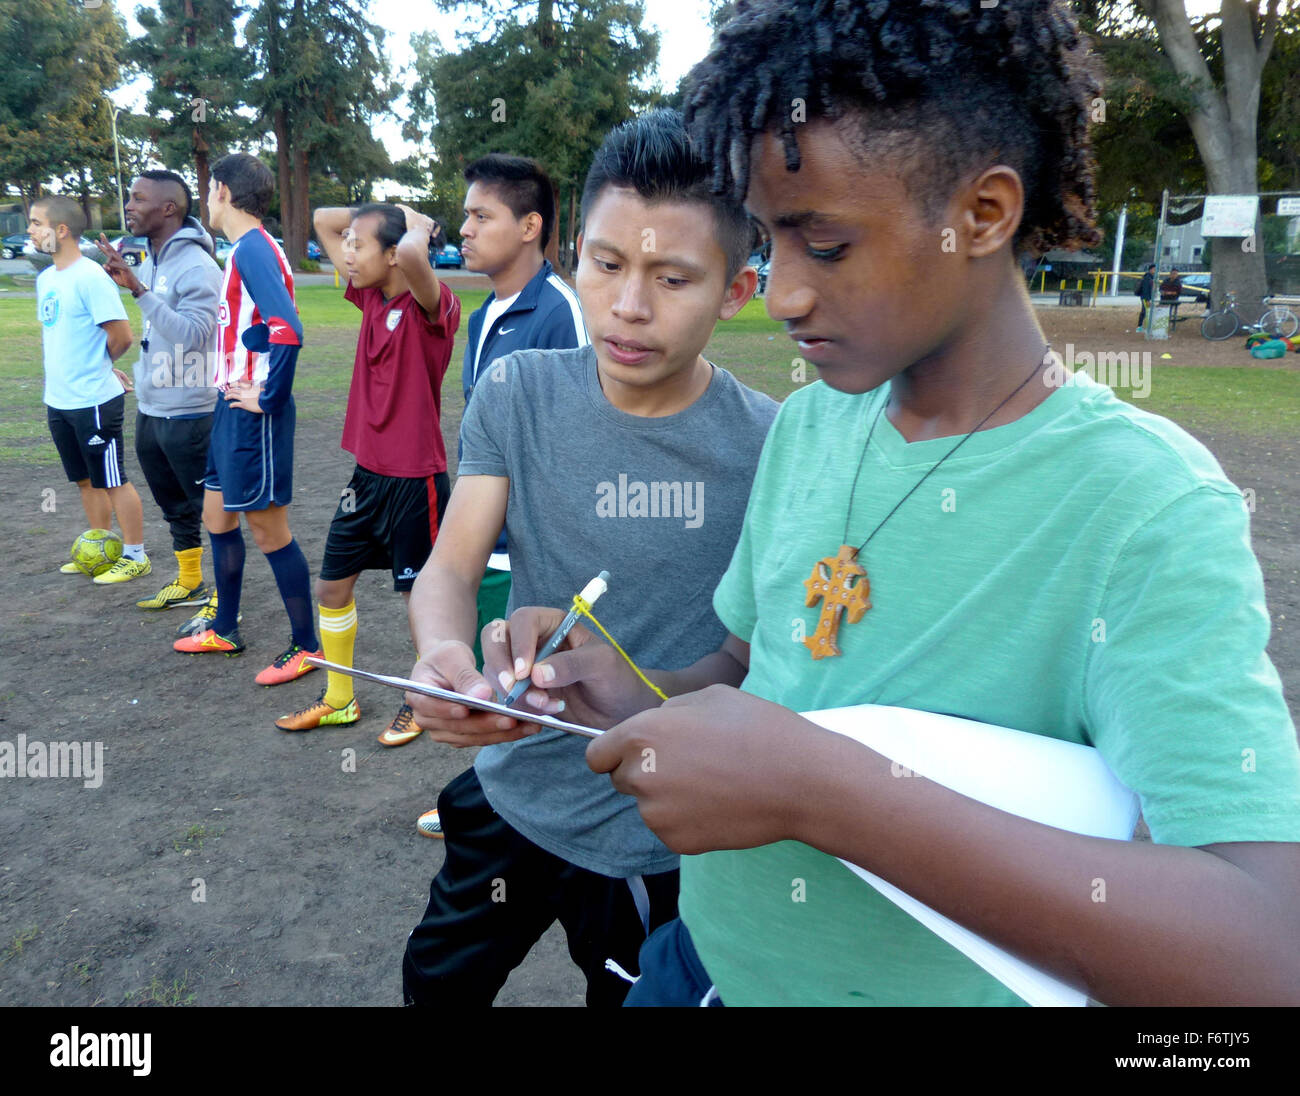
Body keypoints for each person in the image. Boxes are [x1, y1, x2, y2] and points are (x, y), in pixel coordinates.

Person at [486, 0, 1300, 1006]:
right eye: (769, 243)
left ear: (984, 215)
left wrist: (824, 793)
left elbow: (1263, 944)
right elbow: (754, 671)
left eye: (821, 246)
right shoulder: (809, 428)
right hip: (700, 970)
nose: (780, 293)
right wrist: (632, 684)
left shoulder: (1142, 504)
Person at [400, 109, 775, 1005]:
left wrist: (641, 687)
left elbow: (755, 664)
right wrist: (443, 655)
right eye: (607, 265)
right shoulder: (520, 391)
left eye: (673, 277)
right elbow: (454, 565)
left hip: (648, 835)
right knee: (434, 985)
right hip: (512, 792)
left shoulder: (772, 444)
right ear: (575, 254)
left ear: (737, 290)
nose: (630, 307)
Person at [401, 154, 588, 840]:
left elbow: (583, 437)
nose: (466, 227)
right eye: (466, 214)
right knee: (484, 677)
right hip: (485, 538)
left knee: (535, 683)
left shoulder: (563, 311)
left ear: (531, 226)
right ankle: (484, 799)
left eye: (482, 215)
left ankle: (503, 811)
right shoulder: (481, 320)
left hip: (539, 549)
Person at [273, 202, 461, 733]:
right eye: (349, 245)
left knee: (419, 600)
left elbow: (410, 255)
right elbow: (322, 220)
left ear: (397, 256)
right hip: (366, 478)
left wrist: (417, 227)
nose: (347, 254)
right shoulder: (371, 299)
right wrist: (372, 216)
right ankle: (340, 699)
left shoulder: (434, 308)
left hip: (414, 480)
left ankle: (424, 698)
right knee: (331, 586)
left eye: (360, 245)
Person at [172, 153, 321, 689]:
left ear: (223, 191)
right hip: (228, 405)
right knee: (217, 515)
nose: (206, 197)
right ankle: (226, 627)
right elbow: (261, 329)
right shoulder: (244, 250)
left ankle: (308, 647)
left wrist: (271, 396)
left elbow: (288, 328)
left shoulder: (255, 248)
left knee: (267, 528)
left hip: (252, 414)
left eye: (208, 189)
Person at [96, 171, 222, 616]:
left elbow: (193, 334)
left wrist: (139, 290)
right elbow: (157, 327)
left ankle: (226, 600)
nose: (128, 205)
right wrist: (133, 281)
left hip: (190, 411)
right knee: (173, 507)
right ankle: (190, 581)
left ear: (168, 208)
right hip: (152, 407)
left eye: (138, 198)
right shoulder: (152, 257)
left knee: (213, 514)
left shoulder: (198, 266)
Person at [31, 194, 150, 583]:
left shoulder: (90, 276)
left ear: (61, 230)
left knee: (112, 479)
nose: (30, 230)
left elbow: (121, 335)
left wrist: (104, 368)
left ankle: (135, 555)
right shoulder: (46, 279)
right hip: (59, 400)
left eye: (36, 223)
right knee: (85, 480)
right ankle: (100, 548)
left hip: (94, 400)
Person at [1136, 262, 1155, 331]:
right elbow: (1146, 289)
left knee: (1145, 311)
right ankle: (1140, 327)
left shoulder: (1150, 277)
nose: (1155, 271)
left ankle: (1142, 326)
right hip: (1145, 297)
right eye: (1154, 269)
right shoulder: (1148, 278)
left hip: (1146, 297)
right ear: (1150, 270)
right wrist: (1147, 300)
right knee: (1144, 312)